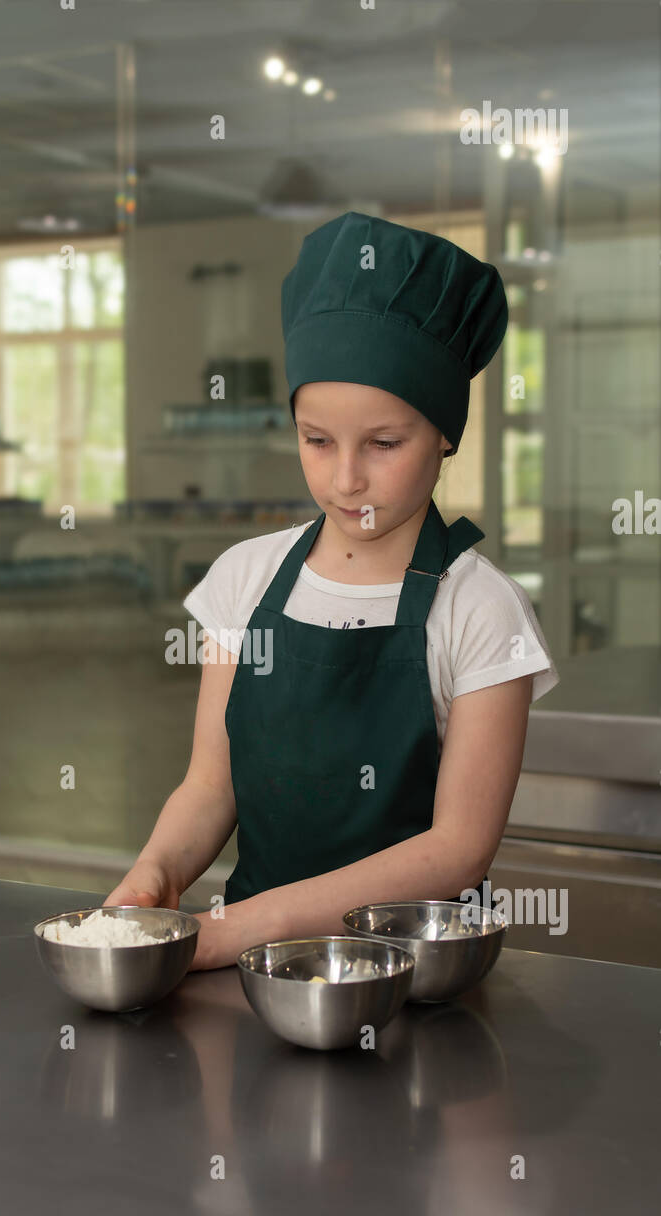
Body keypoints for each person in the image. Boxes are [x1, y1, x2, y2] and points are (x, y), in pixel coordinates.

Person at [105, 211, 558, 969]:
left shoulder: (481, 609)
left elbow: (457, 852)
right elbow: (210, 787)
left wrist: (242, 927)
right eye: (317, 440)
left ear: (446, 434)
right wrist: (158, 873)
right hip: (253, 978)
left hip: (416, 979)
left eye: (384, 443)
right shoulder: (244, 581)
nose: (346, 478)